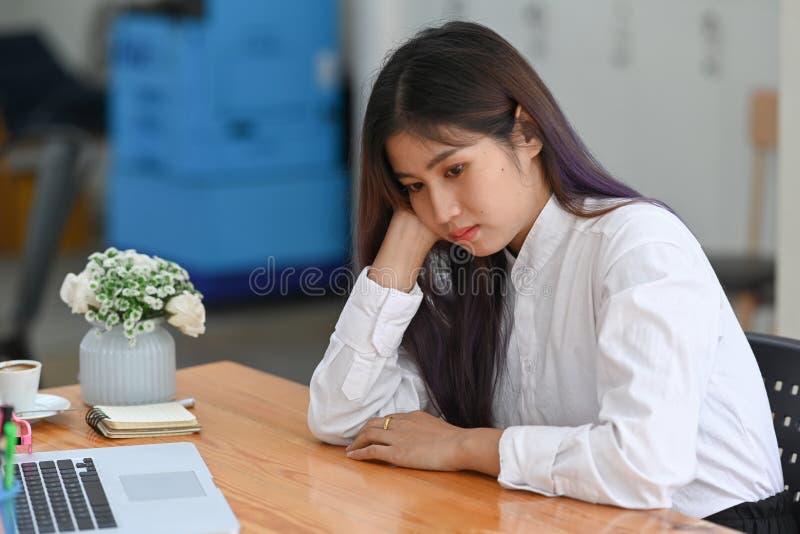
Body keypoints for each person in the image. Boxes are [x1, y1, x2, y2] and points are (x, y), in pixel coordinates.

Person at [307, 21, 793, 533]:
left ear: (527, 132)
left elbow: (643, 466)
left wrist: (462, 445)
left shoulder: (638, 244)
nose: (441, 210)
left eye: (453, 170)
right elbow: (342, 418)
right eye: (413, 186)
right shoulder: (475, 272)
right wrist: (401, 247)